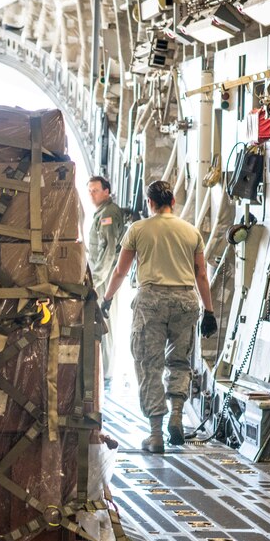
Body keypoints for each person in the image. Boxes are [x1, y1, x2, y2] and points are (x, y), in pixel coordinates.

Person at [99, 181, 217, 453]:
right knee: (179, 362)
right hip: (186, 301)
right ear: (173, 202)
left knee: (148, 364)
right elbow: (201, 275)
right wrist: (209, 311)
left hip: (150, 301)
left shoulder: (138, 229)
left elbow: (119, 271)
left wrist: (106, 299)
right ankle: (177, 414)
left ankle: (156, 435)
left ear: (149, 203)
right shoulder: (191, 232)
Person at [86, 176, 129, 388]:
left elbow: (109, 252)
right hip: (100, 276)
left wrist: (95, 281)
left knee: (105, 322)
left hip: (105, 278)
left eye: (95, 190)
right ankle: (102, 370)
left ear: (107, 191)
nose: (92, 194)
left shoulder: (109, 214)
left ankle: (106, 373)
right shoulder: (101, 213)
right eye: (90, 191)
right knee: (100, 323)